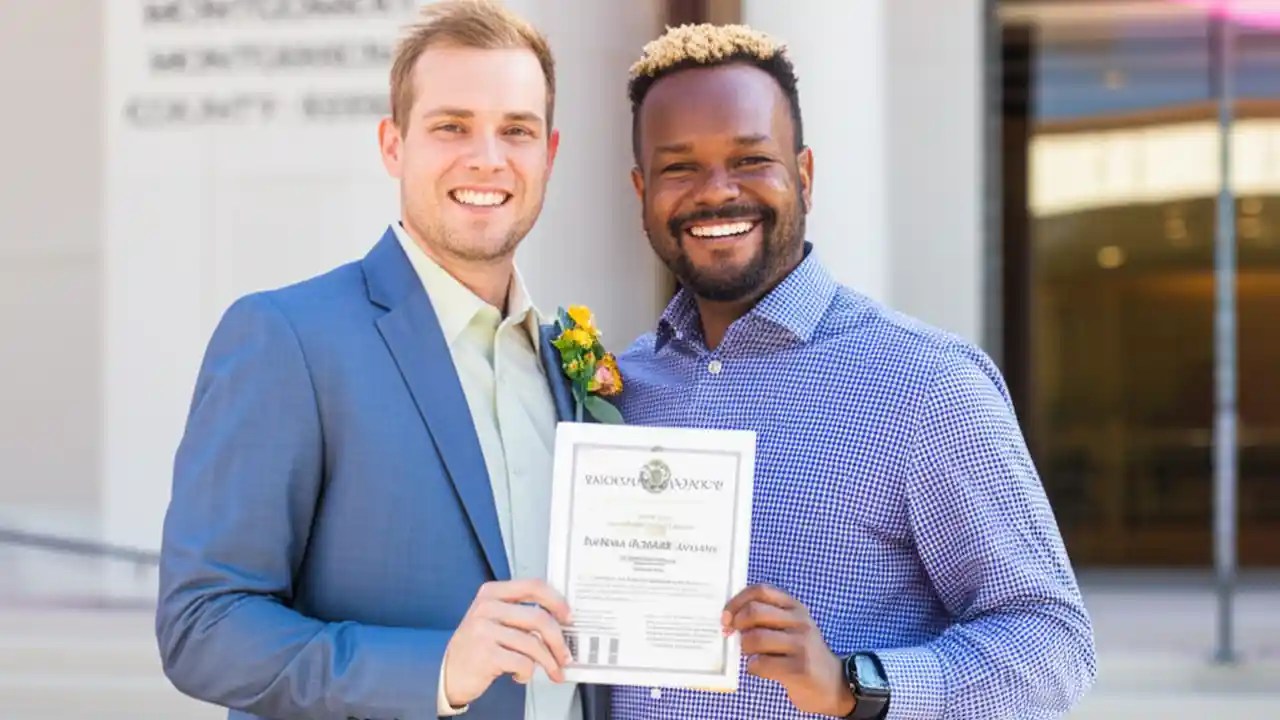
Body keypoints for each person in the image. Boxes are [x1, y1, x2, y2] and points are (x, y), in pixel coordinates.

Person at [612, 23, 1097, 720]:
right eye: (680, 166)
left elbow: (1054, 646)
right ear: (642, 189)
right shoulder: (621, 390)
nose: (716, 192)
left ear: (803, 174)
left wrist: (852, 684)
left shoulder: (927, 384)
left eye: (750, 159)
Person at [154, 2, 607, 718]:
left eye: (515, 130)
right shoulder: (287, 339)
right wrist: (437, 671)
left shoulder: (571, 363)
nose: (488, 157)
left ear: (548, 153)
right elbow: (203, 629)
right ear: (393, 145)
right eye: (451, 126)